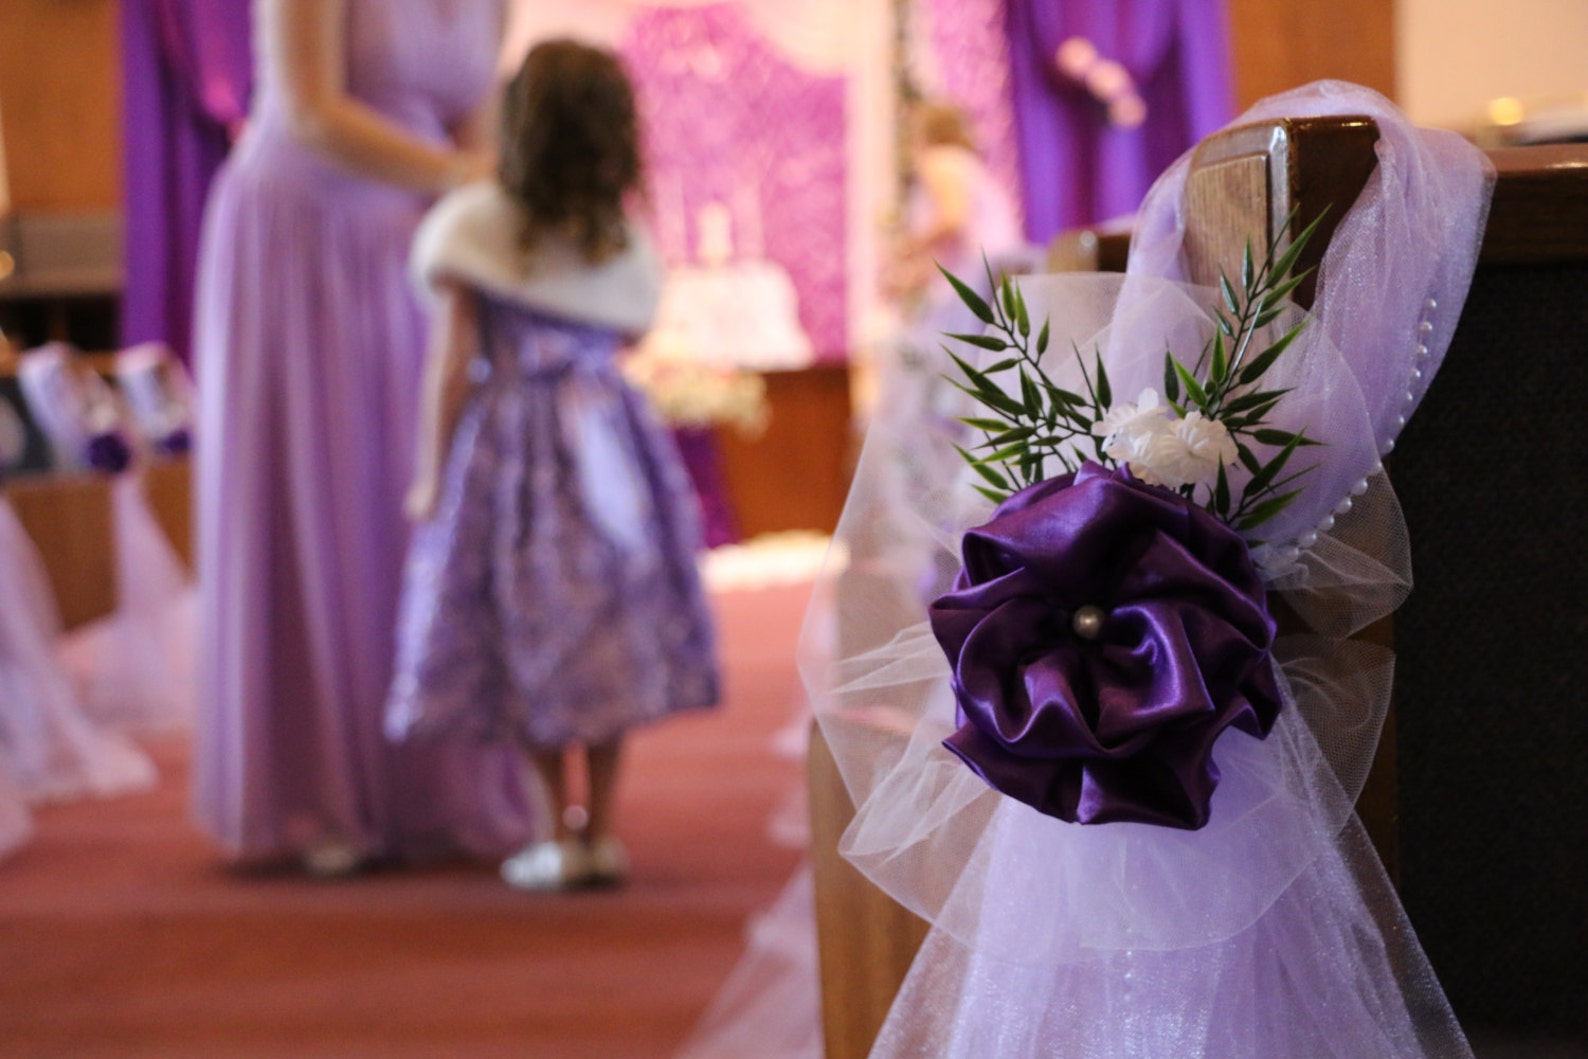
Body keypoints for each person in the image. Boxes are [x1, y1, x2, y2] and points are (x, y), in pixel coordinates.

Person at [190, 0, 536, 874]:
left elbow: (479, 117)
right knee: (318, 504)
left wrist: (490, 200)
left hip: (420, 247)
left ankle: (428, 782)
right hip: (301, 235)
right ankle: (314, 792)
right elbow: (309, 110)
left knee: (414, 498)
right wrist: (464, 178)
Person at [383, 39, 720, 892]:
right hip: (608, 442)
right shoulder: (617, 238)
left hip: (512, 454)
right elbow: (631, 335)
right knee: (605, 624)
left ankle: (550, 829)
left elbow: (452, 365)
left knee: (527, 628)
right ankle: (600, 828)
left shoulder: (475, 228)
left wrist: (429, 475)